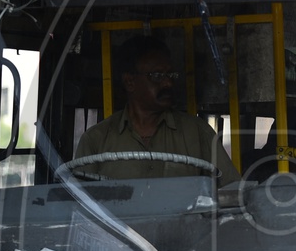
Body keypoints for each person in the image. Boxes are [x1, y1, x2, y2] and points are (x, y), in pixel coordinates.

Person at [74, 36, 240, 186]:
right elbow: (80, 207)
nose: (168, 83)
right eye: (157, 75)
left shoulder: (197, 132)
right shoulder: (96, 140)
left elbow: (232, 191)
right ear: (130, 81)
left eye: (170, 75)